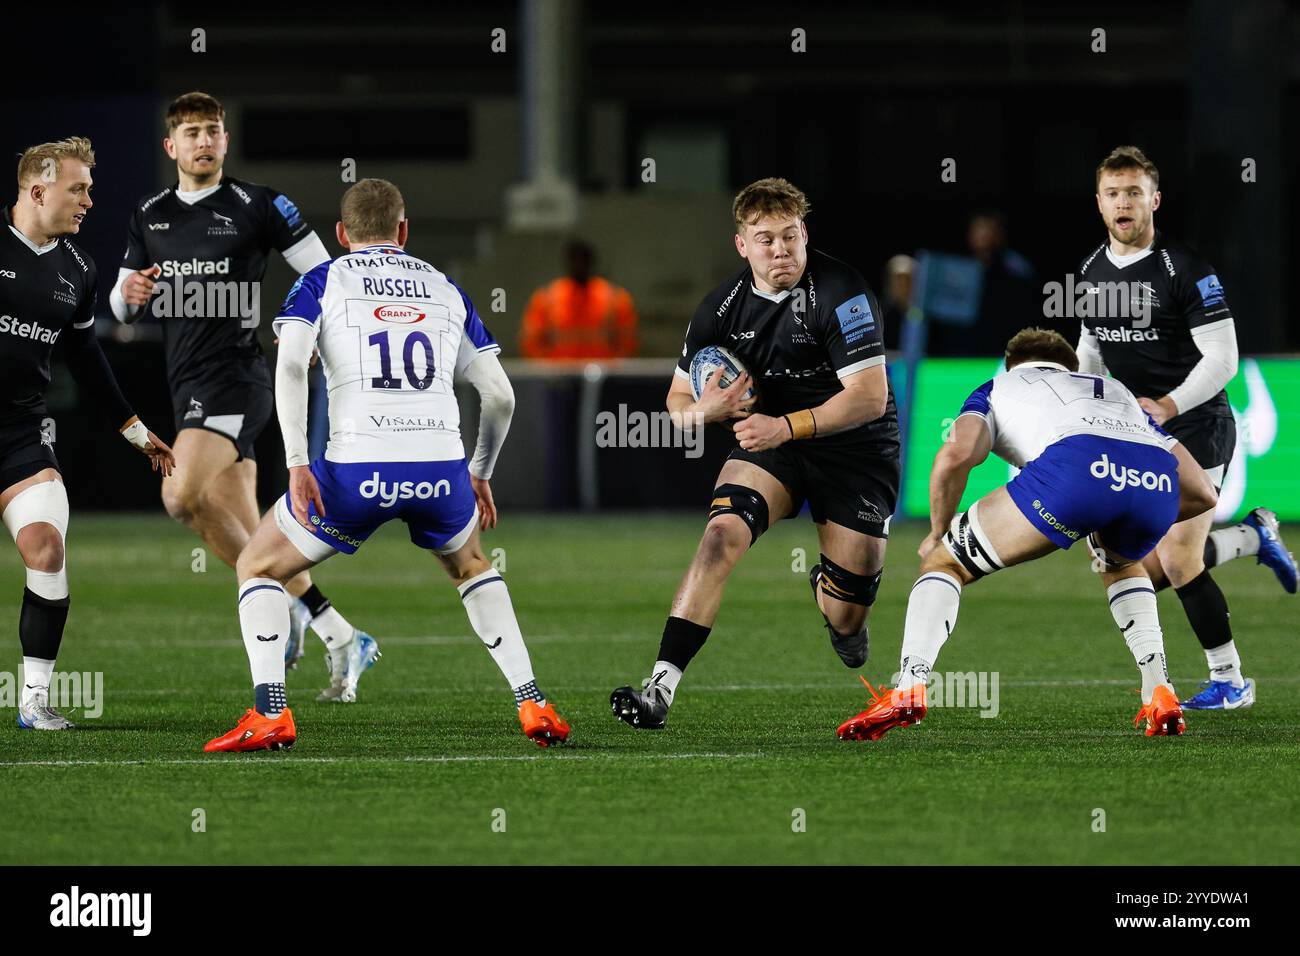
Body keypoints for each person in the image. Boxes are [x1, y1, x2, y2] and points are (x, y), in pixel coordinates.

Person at [203, 179, 570, 752]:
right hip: (440, 470)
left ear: (342, 234)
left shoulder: (321, 279)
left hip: (356, 471)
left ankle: (270, 712)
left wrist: (297, 461)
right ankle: (533, 701)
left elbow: (292, 367)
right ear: (404, 230)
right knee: (471, 565)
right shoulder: (444, 287)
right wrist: (479, 472)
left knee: (257, 564)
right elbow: (500, 395)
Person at [610, 177, 899, 729]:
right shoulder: (720, 309)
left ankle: (834, 600)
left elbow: (869, 397)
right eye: (765, 240)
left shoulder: (843, 291)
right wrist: (707, 410)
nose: (781, 250)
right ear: (742, 245)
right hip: (773, 444)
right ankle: (659, 689)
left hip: (854, 449)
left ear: (805, 234)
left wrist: (784, 427)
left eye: (790, 236)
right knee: (719, 537)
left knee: (846, 615)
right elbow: (676, 400)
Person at [109, 91, 376, 686]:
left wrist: (300, 330)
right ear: (170, 145)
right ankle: (339, 633)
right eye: (191, 132)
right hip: (185, 385)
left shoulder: (260, 205)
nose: (203, 141)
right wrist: (125, 299)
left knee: (178, 496)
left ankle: (285, 610)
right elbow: (121, 303)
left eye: (213, 130)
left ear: (226, 140)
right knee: (245, 526)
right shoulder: (149, 214)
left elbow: (331, 277)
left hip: (238, 379)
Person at [837, 328, 1218, 742]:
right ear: (1071, 367)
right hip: (1155, 482)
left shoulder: (999, 385)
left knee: (945, 562)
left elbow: (955, 457)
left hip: (1075, 468)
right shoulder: (1115, 390)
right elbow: (1201, 492)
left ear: (1011, 363)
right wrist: (1133, 506)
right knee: (1119, 561)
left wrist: (938, 531)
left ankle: (909, 686)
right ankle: (1159, 689)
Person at [1075, 145, 1295, 711]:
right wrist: (1080, 411)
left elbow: (1223, 358)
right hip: (1140, 432)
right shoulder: (1090, 273)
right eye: (1112, 193)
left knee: (1174, 558)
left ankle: (1231, 681)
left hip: (1198, 425)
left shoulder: (1188, 271)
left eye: (1133, 191)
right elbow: (1092, 353)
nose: (1123, 202)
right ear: (1099, 203)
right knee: (1132, 571)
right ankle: (1252, 537)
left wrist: (1169, 405)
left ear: (1154, 199)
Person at [1, 137, 174, 729]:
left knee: (47, 548)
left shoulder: (77, 268)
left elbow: (87, 359)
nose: (89, 200)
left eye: (90, 189)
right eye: (78, 189)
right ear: (38, 189)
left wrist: (134, 430)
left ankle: (32, 701)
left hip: (18, 437)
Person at [520, 240, 639, 359]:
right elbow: (531, 340)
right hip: (558, 373)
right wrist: (546, 367)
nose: (579, 265)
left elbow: (628, 341)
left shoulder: (614, 298)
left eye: (583, 260)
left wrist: (615, 367)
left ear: (591, 262)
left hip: (604, 372)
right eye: (575, 260)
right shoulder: (546, 298)